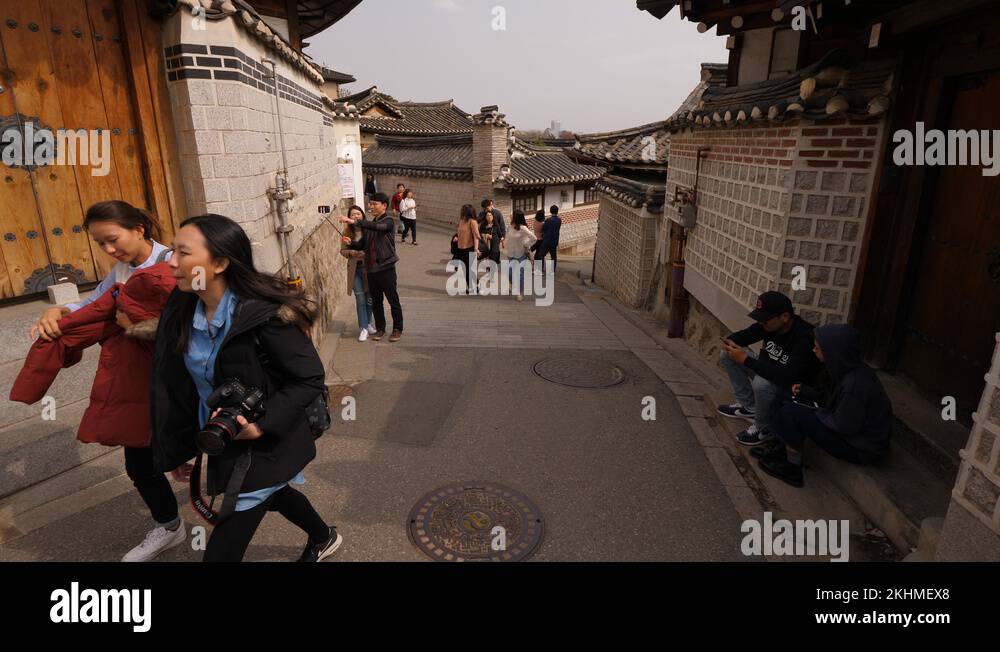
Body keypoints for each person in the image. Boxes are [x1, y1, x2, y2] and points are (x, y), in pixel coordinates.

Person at [151, 214, 341, 562]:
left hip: (264, 442)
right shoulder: (180, 307)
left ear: (220, 262)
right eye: (171, 252)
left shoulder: (264, 317)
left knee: (222, 551)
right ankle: (323, 535)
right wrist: (180, 447)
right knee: (276, 493)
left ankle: (322, 534)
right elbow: (176, 384)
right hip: (219, 435)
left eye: (183, 253)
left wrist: (260, 425)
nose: (172, 263)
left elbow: (309, 377)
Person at [24, 201, 185, 562]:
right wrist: (56, 311)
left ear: (139, 229)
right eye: (101, 245)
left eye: (113, 239)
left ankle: (268, 502)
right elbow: (89, 308)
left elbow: (199, 320)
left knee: (220, 455)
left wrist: (138, 328)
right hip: (141, 385)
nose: (110, 250)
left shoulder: (173, 263)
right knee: (140, 465)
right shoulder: (121, 272)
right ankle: (170, 526)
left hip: (186, 381)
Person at [753, 324, 893, 488]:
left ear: (834, 352)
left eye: (818, 348)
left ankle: (792, 467)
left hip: (859, 448)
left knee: (792, 412)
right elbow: (829, 397)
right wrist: (806, 392)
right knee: (785, 394)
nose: (813, 350)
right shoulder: (843, 369)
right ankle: (779, 446)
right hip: (841, 424)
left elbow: (844, 425)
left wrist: (813, 411)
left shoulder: (856, 385)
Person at [716, 291, 822, 447]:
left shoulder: (804, 337)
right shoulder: (769, 326)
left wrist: (745, 359)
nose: (761, 323)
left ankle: (763, 427)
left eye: (765, 319)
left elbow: (787, 376)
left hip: (790, 387)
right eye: (760, 319)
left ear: (784, 317)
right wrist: (730, 342)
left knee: (761, 383)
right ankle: (749, 406)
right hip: (769, 371)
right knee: (727, 354)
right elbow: (745, 335)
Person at [340, 193, 403, 342]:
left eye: (374, 204)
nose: (371, 207)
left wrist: (353, 220)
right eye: (371, 204)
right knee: (376, 301)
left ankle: (397, 329)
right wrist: (351, 243)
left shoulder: (388, 222)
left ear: (384, 206)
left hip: (386, 268)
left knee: (393, 300)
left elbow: (376, 227)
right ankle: (380, 328)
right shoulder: (371, 224)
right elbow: (363, 245)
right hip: (372, 269)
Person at [339, 205, 376, 342]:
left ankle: (368, 323)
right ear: (349, 217)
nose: (356, 216)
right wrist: (352, 252)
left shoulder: (370, 229)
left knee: (369, 298)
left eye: (358, 214)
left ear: (363, 215)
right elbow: (342, 251)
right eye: (353, 214)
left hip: (369, 269)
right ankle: (363, 328)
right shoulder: (347, 233)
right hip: (355, 270)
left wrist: (366, 253)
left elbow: (375, 248)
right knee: (360, 299)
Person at [504, 210, 536, 302]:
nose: (510, 215)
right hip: (511, 254)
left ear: (516, 217)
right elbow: (507, 237)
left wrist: (526, 244)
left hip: (521, 254)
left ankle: (519, 293)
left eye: (512, 214)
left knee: (520, 274)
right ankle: (512, 285)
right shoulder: (510, 227)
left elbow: (534, 238)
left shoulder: (523, 228)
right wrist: (504, 242)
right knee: (510, 273)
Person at [452, 204, 481, 294]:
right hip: (460, 248)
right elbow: (459, 232)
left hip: (469, 248)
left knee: (469, 271)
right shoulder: (461, 221)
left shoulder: (472, 222)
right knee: (462, 270)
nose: (461, 211)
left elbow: (476, 237)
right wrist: (456, 237)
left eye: (463, 210)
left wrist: (476, 249)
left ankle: (475, 286)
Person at [537, 205, 562, 274]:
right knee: (553, 256)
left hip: (547, 241)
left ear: (550, 211)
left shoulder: (548, 220)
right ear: (557, 211)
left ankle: (540, 270)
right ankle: (552, 271)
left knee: (541, 255)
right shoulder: (559, 220)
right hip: (555, 240)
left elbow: (543, 228)